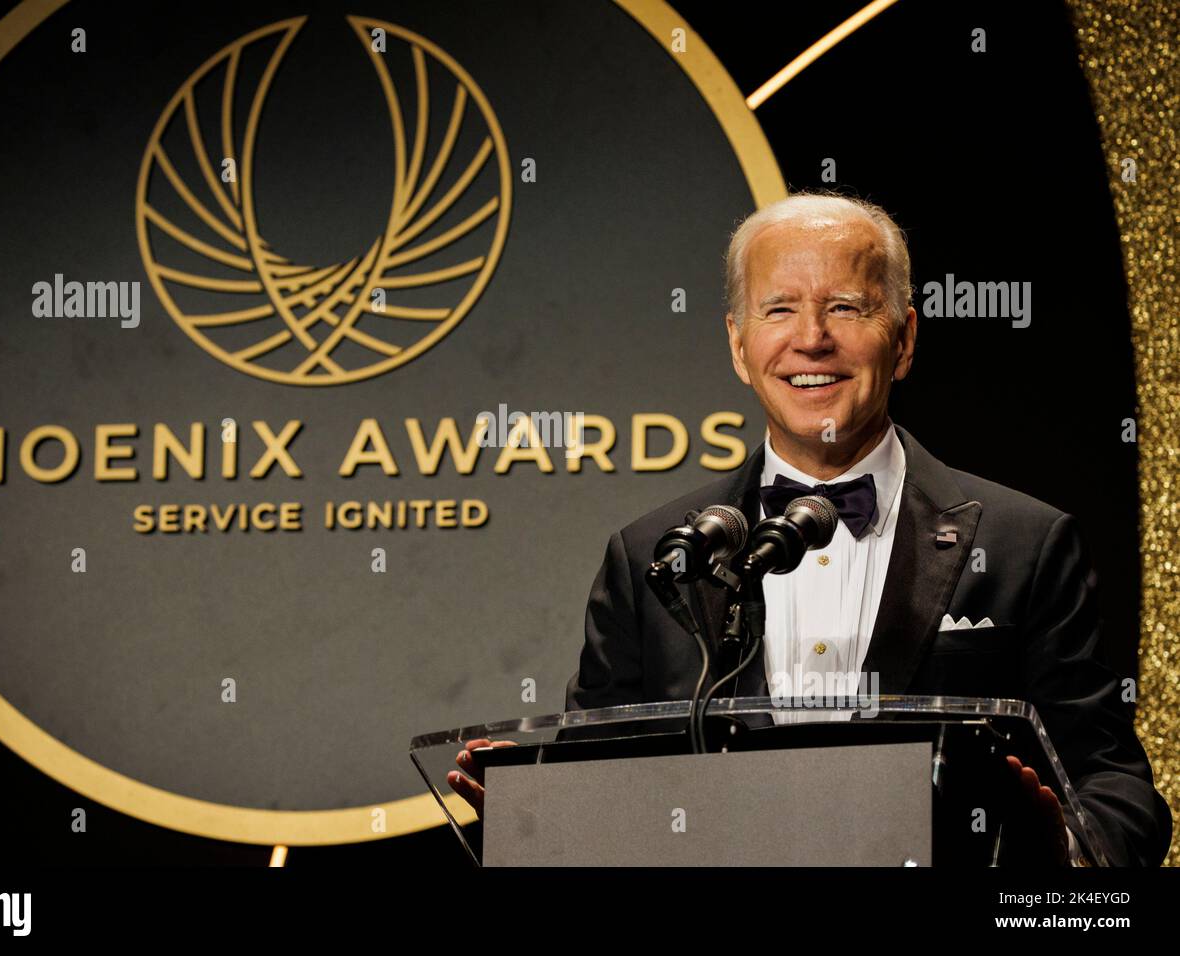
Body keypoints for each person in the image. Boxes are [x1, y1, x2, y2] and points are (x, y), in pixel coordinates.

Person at [450, 193, 1172, 866]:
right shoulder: (652, 556)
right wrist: (537, 821)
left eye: (847, 307)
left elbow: (1115, 786)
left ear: (905, 337)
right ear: (738, 346)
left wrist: (1058, 854)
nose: (812, 339)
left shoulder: (1027, 544)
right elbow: (601, 788)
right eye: (779, 310)